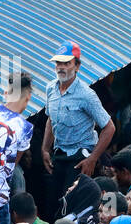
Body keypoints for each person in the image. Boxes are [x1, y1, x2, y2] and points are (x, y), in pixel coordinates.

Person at [41, 42, 116, 212]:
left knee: (72, 204)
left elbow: (109, 127)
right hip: (59, 153)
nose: (61, 67)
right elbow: (50, 120)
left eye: (66, 63)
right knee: (53, 203)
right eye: (58, 63)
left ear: (77, 66)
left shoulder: (86, 95)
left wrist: (93, 158)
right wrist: (45, 149)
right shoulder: (50, 88)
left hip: (80, 156)